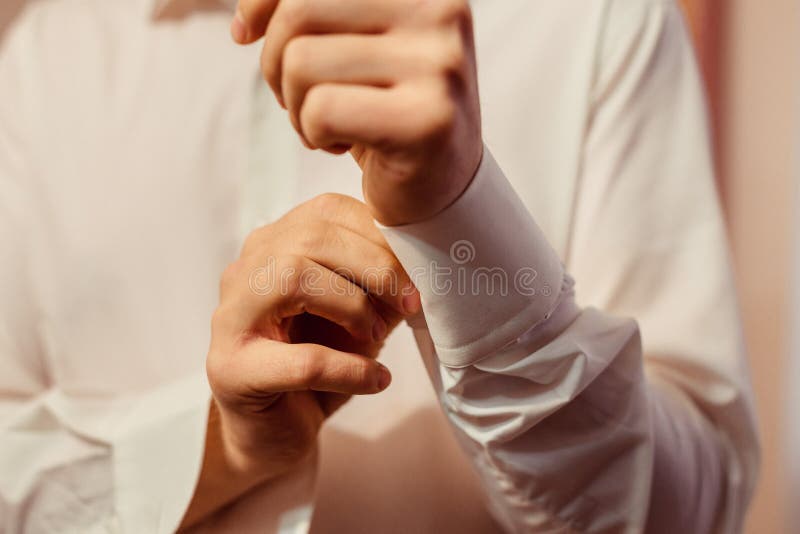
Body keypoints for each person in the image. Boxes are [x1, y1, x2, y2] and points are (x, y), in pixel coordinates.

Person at [0, 0, 759, 532]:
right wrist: (219, 449)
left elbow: (692, 515)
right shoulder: (42, 59)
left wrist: (460, 214)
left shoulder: (602, 19)